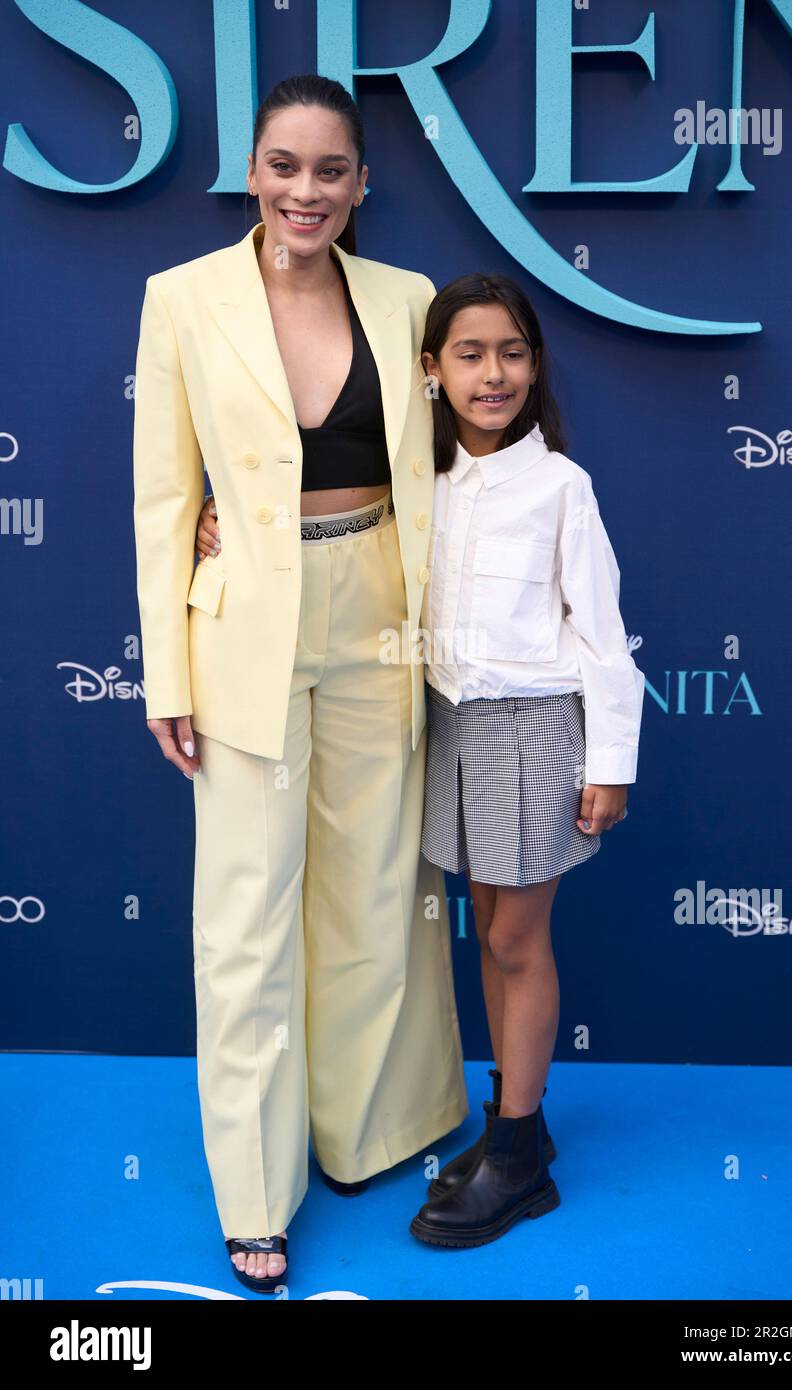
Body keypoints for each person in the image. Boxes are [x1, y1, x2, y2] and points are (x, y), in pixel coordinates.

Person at [132, 74, 468, 1295]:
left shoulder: (408, 299)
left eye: (331, 171)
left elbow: (451, 465)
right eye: (285, 166)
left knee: (380, 890)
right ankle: (253, 1191)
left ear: (362, 183)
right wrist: (165, 668)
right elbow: (165, 499)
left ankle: (366, 1133)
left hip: (380, 610)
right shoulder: (181, 299)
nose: (306, 191)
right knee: (245, 918)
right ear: (252, 171)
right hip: (241, 633)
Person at [408, 272, 645, 1245]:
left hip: (540, 727)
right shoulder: (419, 483)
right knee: (486, 932)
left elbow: (601, 632)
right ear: (431, 370)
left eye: (510, 352)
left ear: (533, 364)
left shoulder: (558, 486)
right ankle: (521, 1121)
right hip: (453, 728)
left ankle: (513, 1160)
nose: (491, 372)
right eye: (468, 354)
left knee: (516, 939)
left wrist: (611, 762)